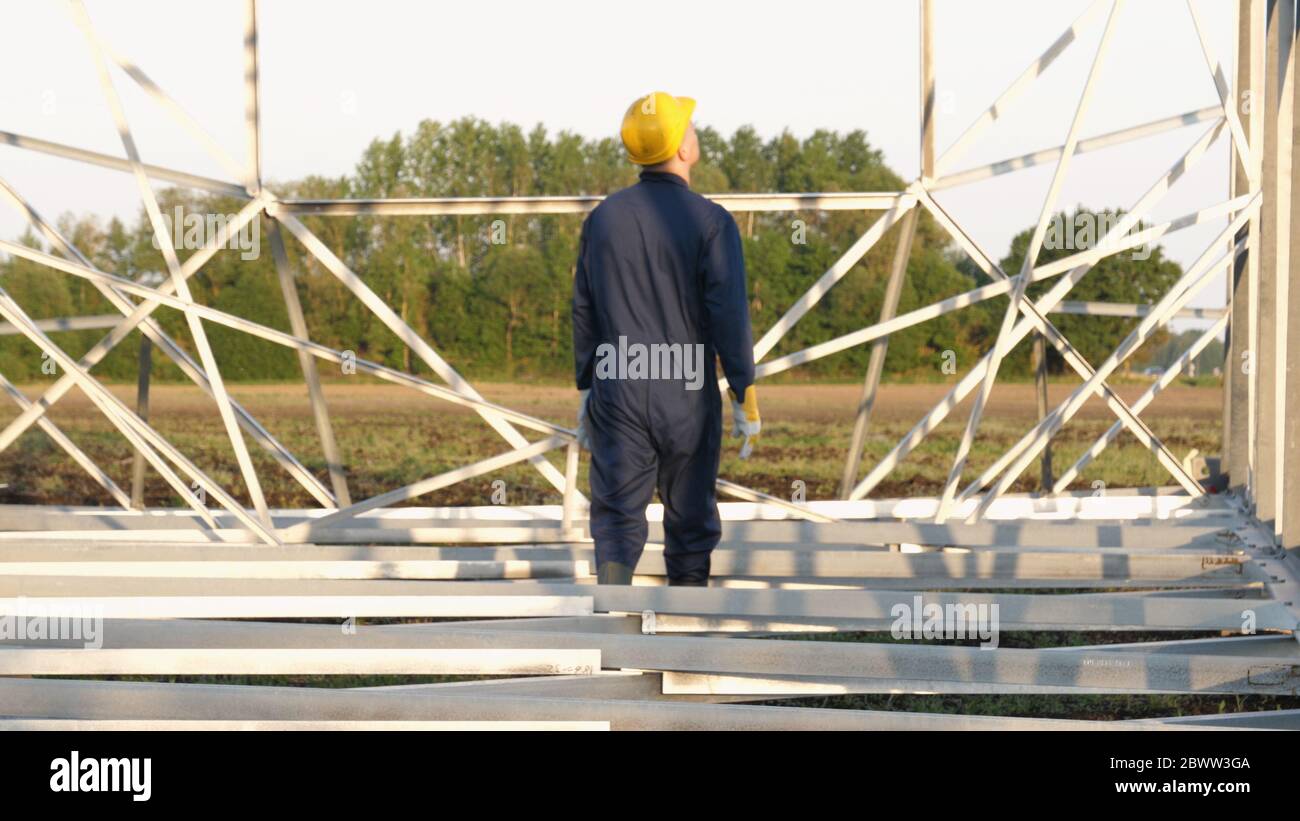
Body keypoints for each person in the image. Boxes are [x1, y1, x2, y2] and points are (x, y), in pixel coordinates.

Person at [571, 91, 760, 587]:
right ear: (680, 147)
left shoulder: (602, 219)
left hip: (620, 387)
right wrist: (744, 390)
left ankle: (613, 639)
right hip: (686, 390)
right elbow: (729, 315)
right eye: (691, 128)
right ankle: (687, 643)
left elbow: (584, 306)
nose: (696, 135)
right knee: (691, 522)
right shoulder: (711, 222)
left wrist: (587, 384)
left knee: (614, 520)